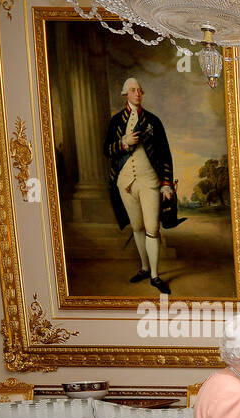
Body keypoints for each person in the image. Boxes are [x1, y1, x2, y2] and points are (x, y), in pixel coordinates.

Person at [103, 77, 178, 295]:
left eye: (139, 90)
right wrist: (124, 143)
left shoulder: (153, 121)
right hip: (125, 183)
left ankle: (155, 275)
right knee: (136, 227)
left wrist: (166, 184)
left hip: (150, 181)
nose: (137, 93)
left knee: (152, 229)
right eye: (133, 90)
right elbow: (107, 150)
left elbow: (165, 154)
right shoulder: (116, 121)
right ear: (125, 93)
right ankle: (145, 268)